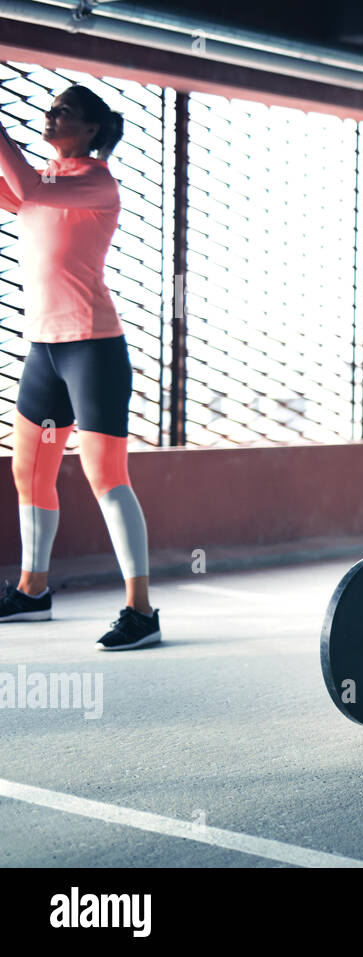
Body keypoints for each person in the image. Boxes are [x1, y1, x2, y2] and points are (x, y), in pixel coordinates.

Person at [0, 85, 160, 649]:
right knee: (32, 473)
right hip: (44, 350)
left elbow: (22, 185)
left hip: (92, 350)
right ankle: (33, 590)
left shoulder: (94, 182)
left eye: (62, 110)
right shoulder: (47, 179)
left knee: (107, 480)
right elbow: (12, 190)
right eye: (50, 108)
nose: (50, 115)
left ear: (91, 129)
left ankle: (141, 611)